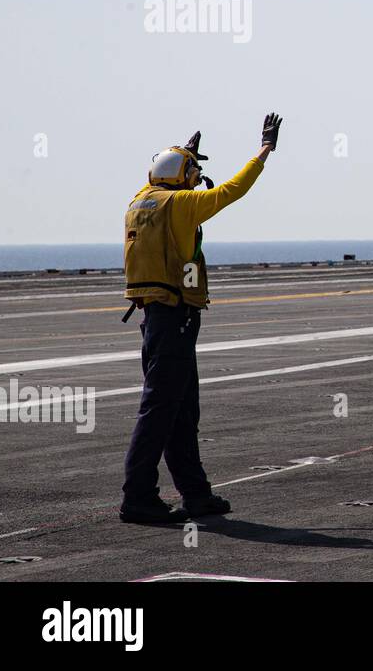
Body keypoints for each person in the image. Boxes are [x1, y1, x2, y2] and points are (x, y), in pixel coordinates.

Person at [120, 114, 282, 525]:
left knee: (180, 411)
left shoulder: (140, 201)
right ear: (183, 178)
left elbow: (160, 176)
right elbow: (233, 190)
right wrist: (263, 152)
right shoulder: (183, 205)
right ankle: (138, 497)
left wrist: (183, 156)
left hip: (157, 318)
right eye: (193, 172)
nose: (196, 179)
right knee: (160, 411)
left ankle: (195, 494)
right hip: (174, 318)